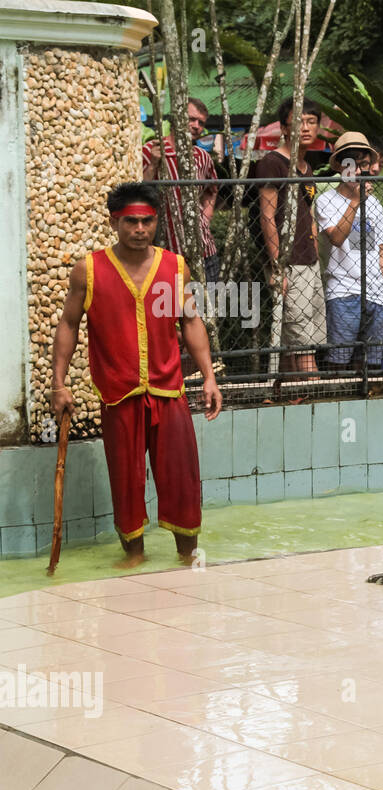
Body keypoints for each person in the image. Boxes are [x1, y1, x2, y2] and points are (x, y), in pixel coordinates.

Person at [49, 183, 221, 566]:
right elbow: (68, 324)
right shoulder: (89, 270)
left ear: (156, 221)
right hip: (118, 393)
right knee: (126, 480)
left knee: (181, 477)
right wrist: (57, 384)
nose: (140, 228)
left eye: (147, 221)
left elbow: (191, 321)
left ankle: (186, 554)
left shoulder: (175, 266)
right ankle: (134, 557)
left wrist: (209, 376)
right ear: (115, 222)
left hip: (169, 390)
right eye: (131, 221)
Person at [251, 96, 327, 377]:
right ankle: (314, 391)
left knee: (295, 336)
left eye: (311, 122)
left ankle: (289, 395)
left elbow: (310, 216)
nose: (305, 128)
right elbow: (267, 216)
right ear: (284, 128)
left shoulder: (307, 168)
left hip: (309, 260)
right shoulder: (272, 163)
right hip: (289, 262)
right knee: (302, 338)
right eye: (298, 122)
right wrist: (277, 264)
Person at [314, 132, 383, 373]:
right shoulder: (326, 200)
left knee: (370, 362)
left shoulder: (375, 204)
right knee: (339, 359)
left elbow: (378, 250)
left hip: (375, 292)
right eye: (351, 163)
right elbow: (337, 238)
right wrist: (355, 202)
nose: (358, 170)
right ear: (339, 165)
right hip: (342, 290)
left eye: (364, 164)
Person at [142, 97, 221, 283]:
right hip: (164, 251)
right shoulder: (152, 150)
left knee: (205, 309)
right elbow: (139, 194)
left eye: (201, 123)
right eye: (191, 119)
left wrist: (206, 217)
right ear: (176, 118)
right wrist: (154, 164)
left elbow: (213, 189)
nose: (196, 126)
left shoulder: (202, 157)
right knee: (170, 310)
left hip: (204, 250)